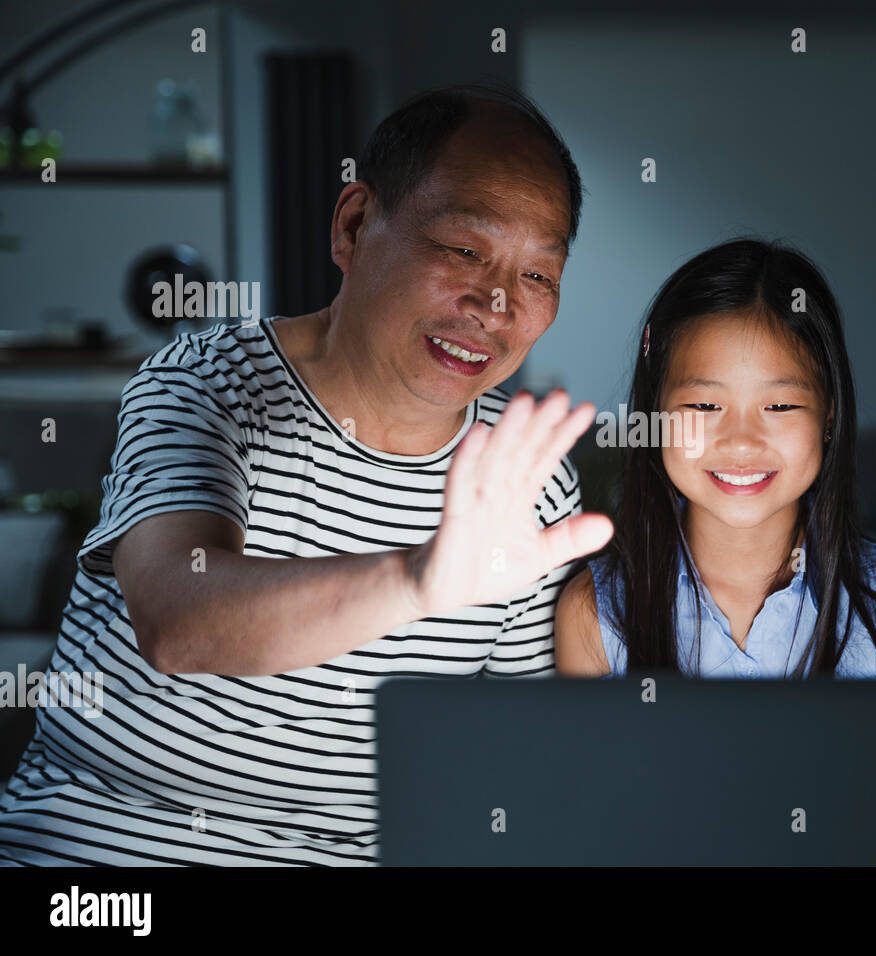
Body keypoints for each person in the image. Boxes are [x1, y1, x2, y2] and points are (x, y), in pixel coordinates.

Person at [0, 84, 612, 865]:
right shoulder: (204, 382)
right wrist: (418, 579)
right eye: (464, 249)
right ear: (354, 224)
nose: (494, 305)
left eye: (537, 278)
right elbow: (177, 621)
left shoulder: (526, 475)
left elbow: (512, 761)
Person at [555, 239, 876, 679]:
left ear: (829, 415)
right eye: (705, 405)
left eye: (779, 406)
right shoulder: (593, 614)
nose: (741, 441)